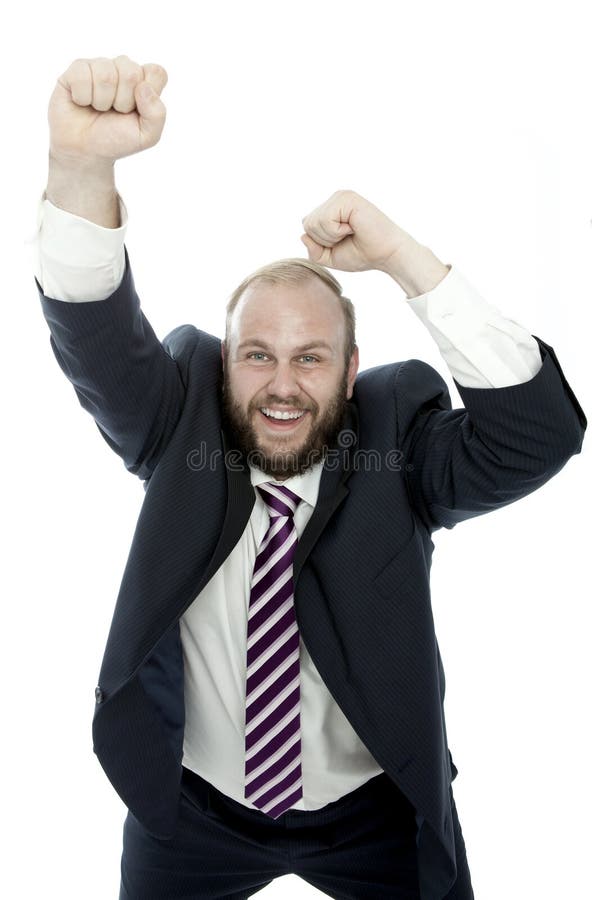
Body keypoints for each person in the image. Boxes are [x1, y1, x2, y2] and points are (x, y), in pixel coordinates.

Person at [33, 56, 587, 900]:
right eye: (257, 355)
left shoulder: (397, 444)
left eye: (310, 358)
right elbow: (94, 329)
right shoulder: (179, 418)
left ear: (351, 368)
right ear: (225, 366)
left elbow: (536, 433)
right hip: (191, 813)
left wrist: (404, 259)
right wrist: (81, 165)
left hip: (377, 811)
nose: (283, 385)